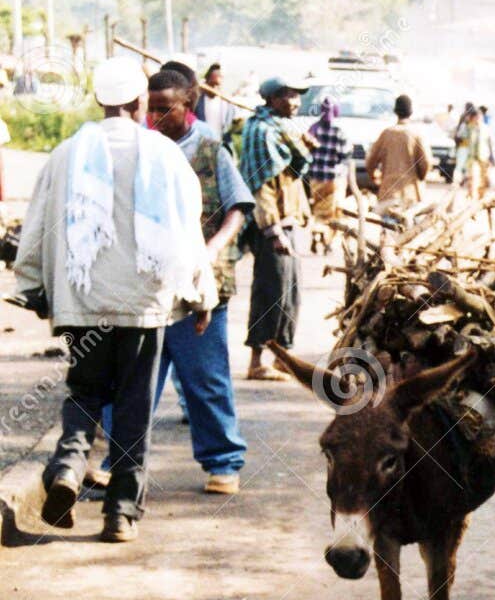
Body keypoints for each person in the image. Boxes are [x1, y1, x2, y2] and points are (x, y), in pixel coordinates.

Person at [13, 58, 216, 542]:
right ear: (138, 102)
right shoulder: (165, 156)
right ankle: (121, 513)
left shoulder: (66, 153)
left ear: (100, 101)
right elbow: (186, 231)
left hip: (83, 302)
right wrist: (201, 293)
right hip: (144, 306)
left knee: (84, 392)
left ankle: (66, 467)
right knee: (132, 405)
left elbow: (37, 226)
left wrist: (32, 287)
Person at [144, 67, 250, 495]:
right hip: (148, 286)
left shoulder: (210, 149)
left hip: (200, 288)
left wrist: (211, 251)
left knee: (205, 378)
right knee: (137, 381)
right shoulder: (143, 147)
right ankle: (119, 461)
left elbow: (237, 207)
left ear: (188, 104)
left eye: (163, 108)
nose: (154, 117)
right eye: (149, 108)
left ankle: (223, 464)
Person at [240, 74, 312, 382]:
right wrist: (272, 230)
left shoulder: (285, 129)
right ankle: (257, 359)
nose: (294, 102)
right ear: (271, 99)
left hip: (290, 220)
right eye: (287, 96)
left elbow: (295, 174)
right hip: (273, 226)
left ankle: (284, 356)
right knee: (270, 293)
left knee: (290, 294)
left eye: (297, 96)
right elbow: (262, 188)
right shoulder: (260, 131)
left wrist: (302, 144)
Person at [366, 94, 433, 212]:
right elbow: (426, 162)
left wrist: (375, 176)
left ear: (395, 111)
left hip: (388, 193)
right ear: (411, 112)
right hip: (411, 194)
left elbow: (370, 160)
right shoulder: (416, 134)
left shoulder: (386, 134)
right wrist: (421, 177)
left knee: (387, 228)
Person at [306, 95, 350, 237]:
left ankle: (317, 233)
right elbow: (345, 154)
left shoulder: (313, 128)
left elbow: (306, 151)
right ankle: (329, 238)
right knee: (333, 210)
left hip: (316, 177)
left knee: (319, 208)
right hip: (334, 178)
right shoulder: (340, 130)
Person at [455, 105, 493, 198]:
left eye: (479, 117)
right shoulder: (467, 128)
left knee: (483, 181)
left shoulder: (485, 128)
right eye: (476, 117)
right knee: (472, 180)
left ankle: (481, 199)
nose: (477, 119)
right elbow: (459, 138)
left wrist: (492, 158)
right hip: (471, 158)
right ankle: (472, 199)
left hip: (483, 157)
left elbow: (490, 143)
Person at [195, 63, 238, 138]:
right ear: (206, 82)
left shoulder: (227, 103)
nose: (215, 89)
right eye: (212, 85)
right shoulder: (197, 102)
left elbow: (231, 125)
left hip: (221, 141)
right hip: (203, 141)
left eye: (218, 85)